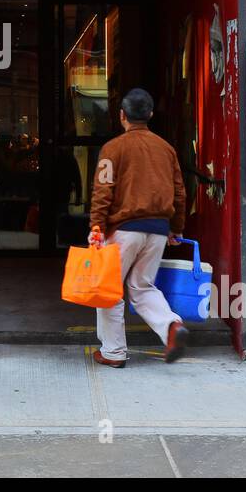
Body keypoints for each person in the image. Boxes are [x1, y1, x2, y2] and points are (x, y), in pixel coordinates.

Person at [88, 88, 190, 367]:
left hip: (124, 229)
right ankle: (171, 327)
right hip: (158, 229)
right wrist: (175, 228)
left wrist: (96, 226)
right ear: (150, 115)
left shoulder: (112, 148)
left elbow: (103, 192)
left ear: (122, 116)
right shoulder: (166, 149)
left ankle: (113, 352)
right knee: (142, 286)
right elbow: (180, 192)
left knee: (109, 290)